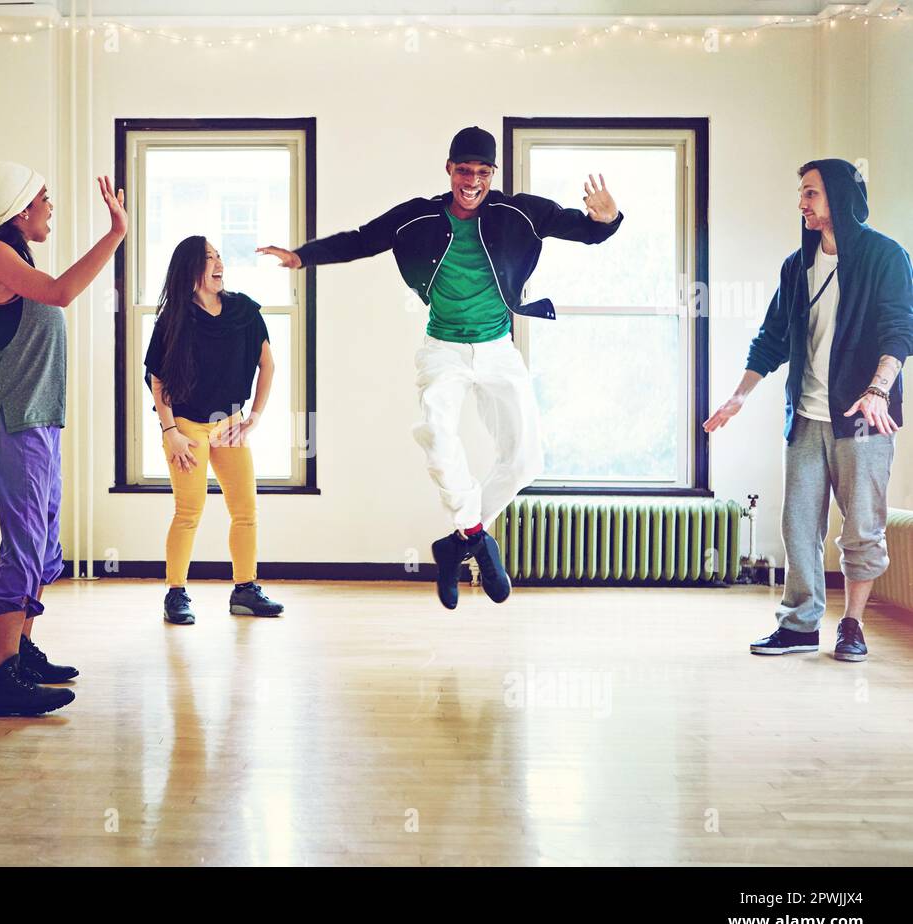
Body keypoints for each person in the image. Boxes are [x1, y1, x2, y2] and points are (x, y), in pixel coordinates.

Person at [258, 126, 622, 609]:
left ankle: (457, 544)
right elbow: (362, 239)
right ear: (449, 169)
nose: (472, 180)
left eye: (482, 172)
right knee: (436, 434)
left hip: (497, 350)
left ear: (493, 175)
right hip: (443, 349)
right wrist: (302, 256)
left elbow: (582, 228)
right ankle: (474, 534)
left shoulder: (520, 212)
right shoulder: (418, 217)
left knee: (526, 459)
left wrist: (608, 219)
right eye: (464, 170)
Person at [705, 158, 913, 662]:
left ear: (838, 197)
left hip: (864, 417)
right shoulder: (797, 263)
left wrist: (878, 390)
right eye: (802, 194)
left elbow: (898, 330)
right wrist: (740, 394)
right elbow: (772, 337)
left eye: (811, 194)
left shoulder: (886, 256)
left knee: (862, 526)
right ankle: (799, 625)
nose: (802, 203)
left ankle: (852, 625)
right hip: (805, 416)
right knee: (799, 524)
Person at [0, 159, 126, 716]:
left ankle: (23, 653)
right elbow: (59, 294)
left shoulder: (15, 256)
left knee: (43, 542)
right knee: (24, 541)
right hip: (12, 417)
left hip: (37, 419)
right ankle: (1, 679)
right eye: (45, 198)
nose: (51, 207)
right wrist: (115, 234)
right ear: (20, 208)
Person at [144, 236, 284, 625]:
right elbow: (157, 379)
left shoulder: (243, 310)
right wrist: (170, 431)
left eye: (220, 255)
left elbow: (267, 365)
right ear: (191, 269)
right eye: (209, 258)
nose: (219, 262)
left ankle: (245, 590)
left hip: (229, 425)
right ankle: (176, 594)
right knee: (188, 512)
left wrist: (253, 417)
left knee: (245, 511)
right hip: (186, 426)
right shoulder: (175, 317)